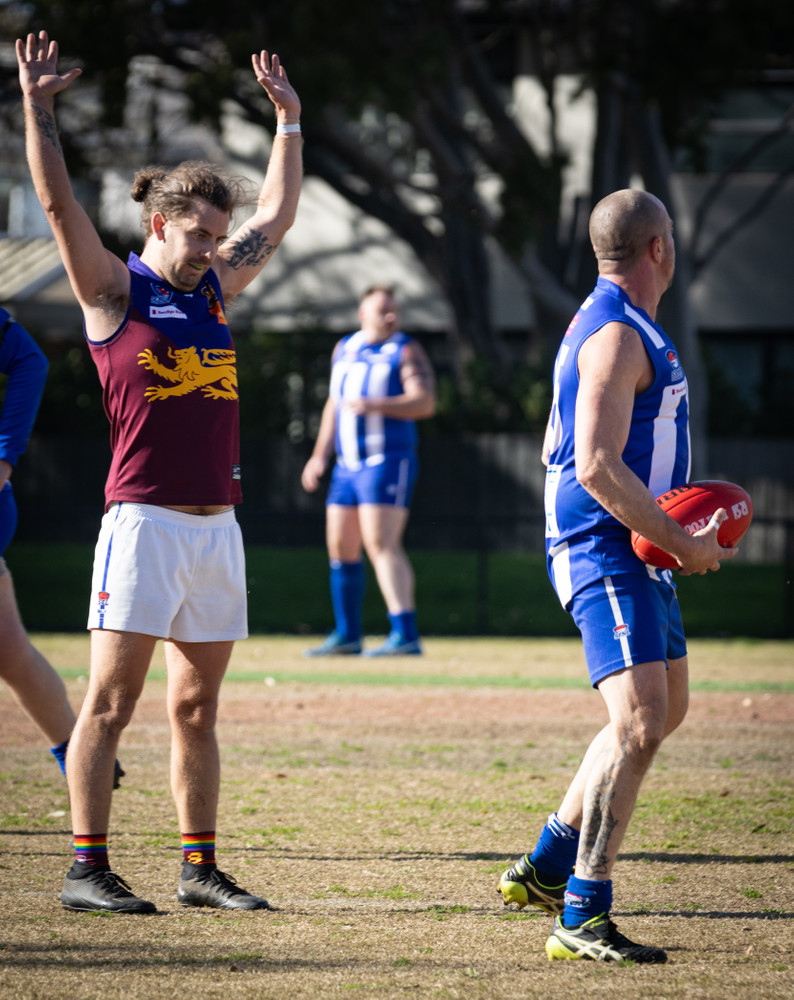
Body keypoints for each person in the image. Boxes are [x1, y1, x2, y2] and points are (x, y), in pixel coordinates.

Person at [17, 29, 302, 914]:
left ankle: (198, 868)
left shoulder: (214, 286)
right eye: (198, 234)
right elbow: (62, 213)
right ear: (157, 225)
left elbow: (279, 219)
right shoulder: (115, 292)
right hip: (141, 524)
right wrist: (37, 111)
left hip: (218, 526)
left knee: (197, 710)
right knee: (110, 703)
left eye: (220, 235)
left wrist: (288, 123)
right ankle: (86, 868)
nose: (214, 246)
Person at [498, 189, 737, 963]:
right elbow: (594, 464)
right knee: (638, 721)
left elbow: (554, 440)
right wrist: (679, 540)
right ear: (658, 248)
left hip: (634, 545)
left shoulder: (606, 321)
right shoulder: (614, 335)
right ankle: (581, 912)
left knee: (663, 712)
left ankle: (544, 866)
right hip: (610, 546)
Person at [301, 285, 435, 657]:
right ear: (363, 314)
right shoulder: (345, 348)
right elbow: (334, 404)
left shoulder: (405, 350)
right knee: (341, 545)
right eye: (383, 311)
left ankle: (404, 633)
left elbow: (424, 402)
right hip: (347, 465)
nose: (391, 317)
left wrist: (375, 405)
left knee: (381, 543)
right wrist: (318, 456)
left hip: (387, 460)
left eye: (394, 310)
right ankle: (347, 635)